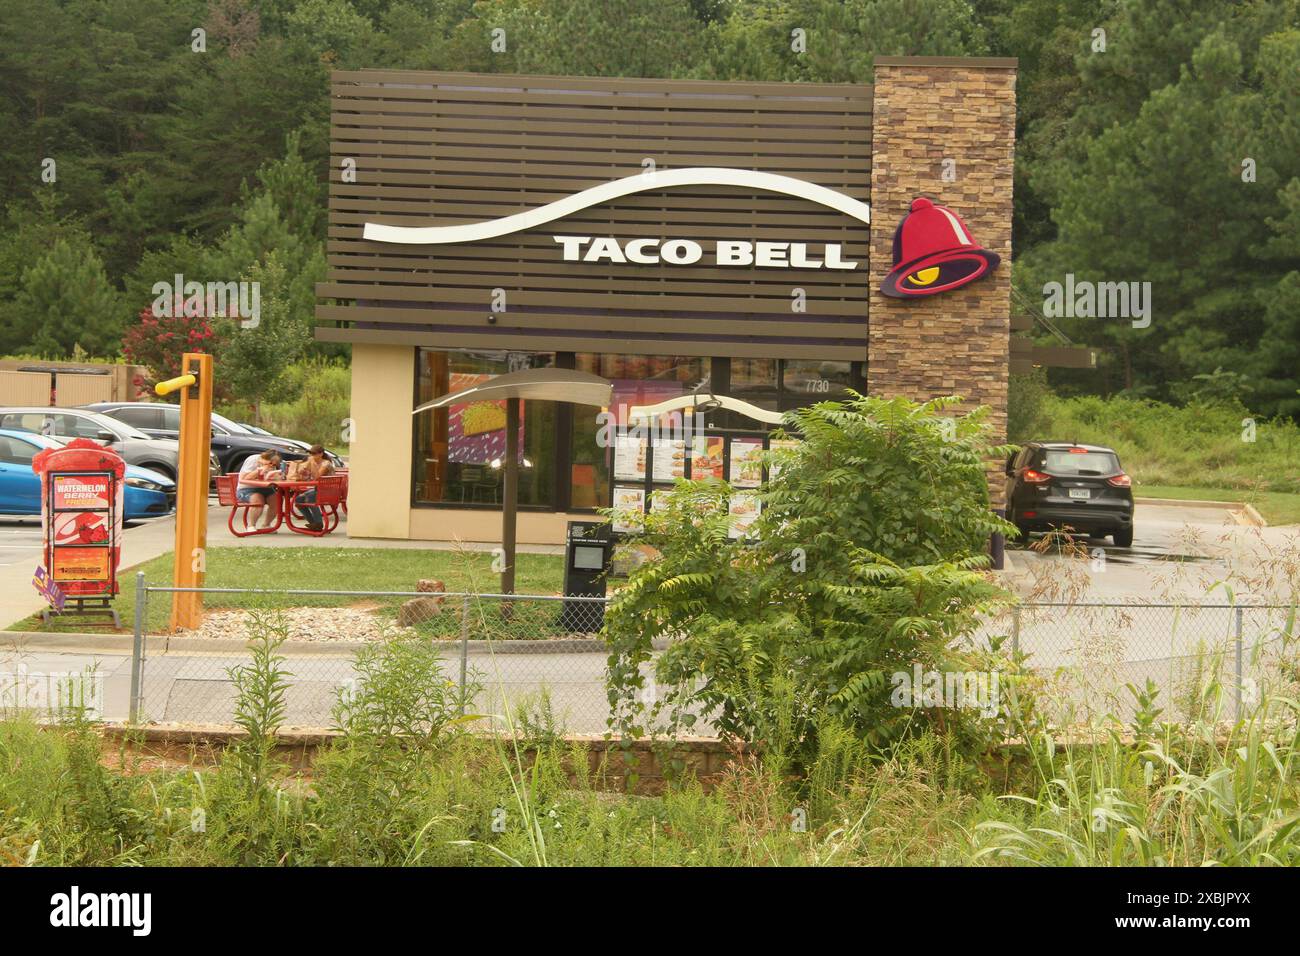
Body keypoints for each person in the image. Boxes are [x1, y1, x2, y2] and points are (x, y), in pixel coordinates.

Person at [236, 450, 283, 529]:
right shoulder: (253, 460)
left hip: (265, 488)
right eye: (270, 463)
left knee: (278, 500)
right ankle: (251, 525)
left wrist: (276, 476)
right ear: (264, 458)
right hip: (247, 488)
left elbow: (269, 478)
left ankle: (266, 525)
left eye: (274, 464)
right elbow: (244, 478)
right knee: (258, 499)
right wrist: (260, 470)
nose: (272, 466)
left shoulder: (270, 466)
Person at [293, 444, 335, 531]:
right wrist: (302, 471)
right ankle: (313, 523)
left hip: (329, 491)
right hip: (318, 489)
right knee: (298, 500)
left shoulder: (326, 464)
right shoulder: (313, 462)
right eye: (311, 454)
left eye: (314, 454)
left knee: (310, 497)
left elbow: (317, 477)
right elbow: (304, 477)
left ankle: (319, 523)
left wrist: (311, 464)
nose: (312, 456)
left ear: (321, 454)